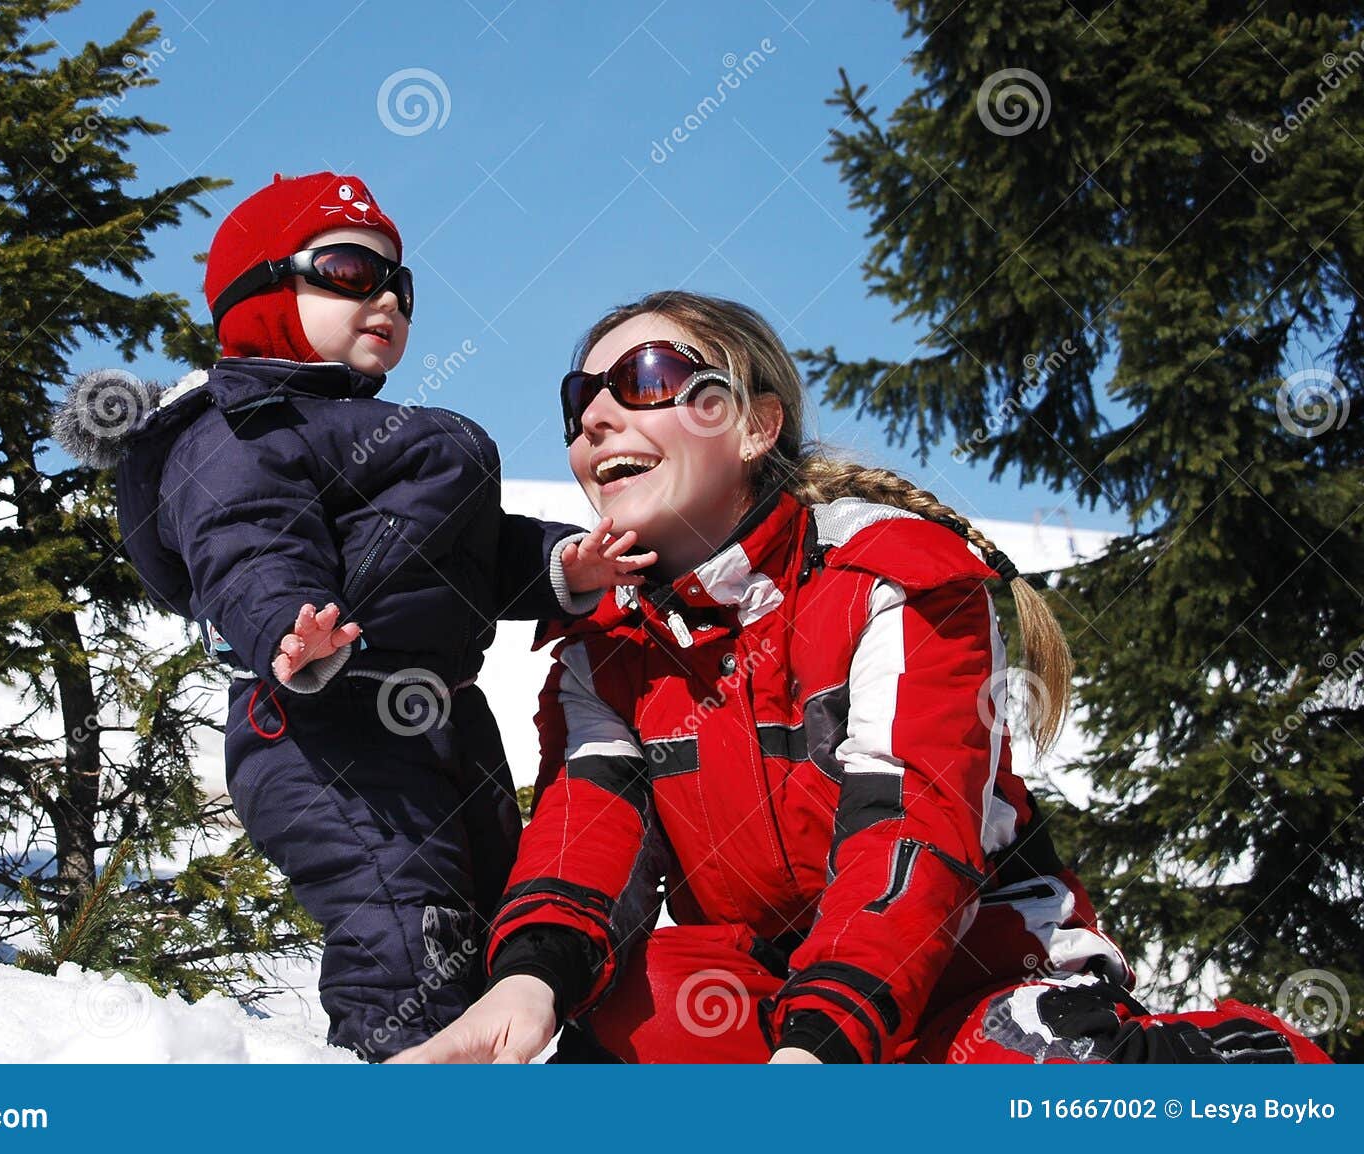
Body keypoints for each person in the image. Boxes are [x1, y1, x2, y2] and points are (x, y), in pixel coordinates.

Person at [390, 290, 1328, 1064]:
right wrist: (526, 986)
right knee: (635, 1021)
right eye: (578, 399)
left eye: (647, 379)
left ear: (755, 425)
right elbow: (588, 830)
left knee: (1008, 1063)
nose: (597, 416)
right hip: (775, 984)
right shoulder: (610, 641)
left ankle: (1229, 1068)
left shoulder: (890, 577)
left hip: (978, 966)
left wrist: (820, 1050)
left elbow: (909, 831)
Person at [53, 172, 652, 1060]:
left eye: (397, 284)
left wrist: (567, 565)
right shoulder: (236, 432)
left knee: (495, 931)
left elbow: (463, 555)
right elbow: (246, 543)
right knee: (410, 935)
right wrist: (288, 629)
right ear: (258, 291)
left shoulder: (360, 432)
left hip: (441, 724)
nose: (384, 298)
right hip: (322, 728)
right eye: (345, 270)